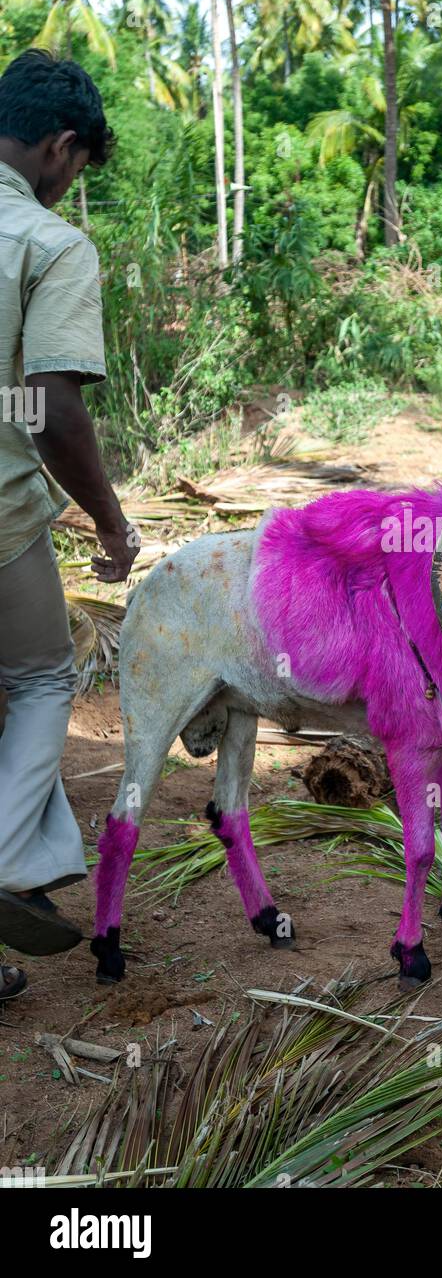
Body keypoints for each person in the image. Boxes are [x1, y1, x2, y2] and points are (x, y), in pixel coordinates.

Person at [0, 49, 138, 1001]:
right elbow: (48, 404)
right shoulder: (46, 243)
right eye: (77, 168)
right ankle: (11, 859)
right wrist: (111, 522)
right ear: (59, 148)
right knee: (43, 677)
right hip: (3, 517)